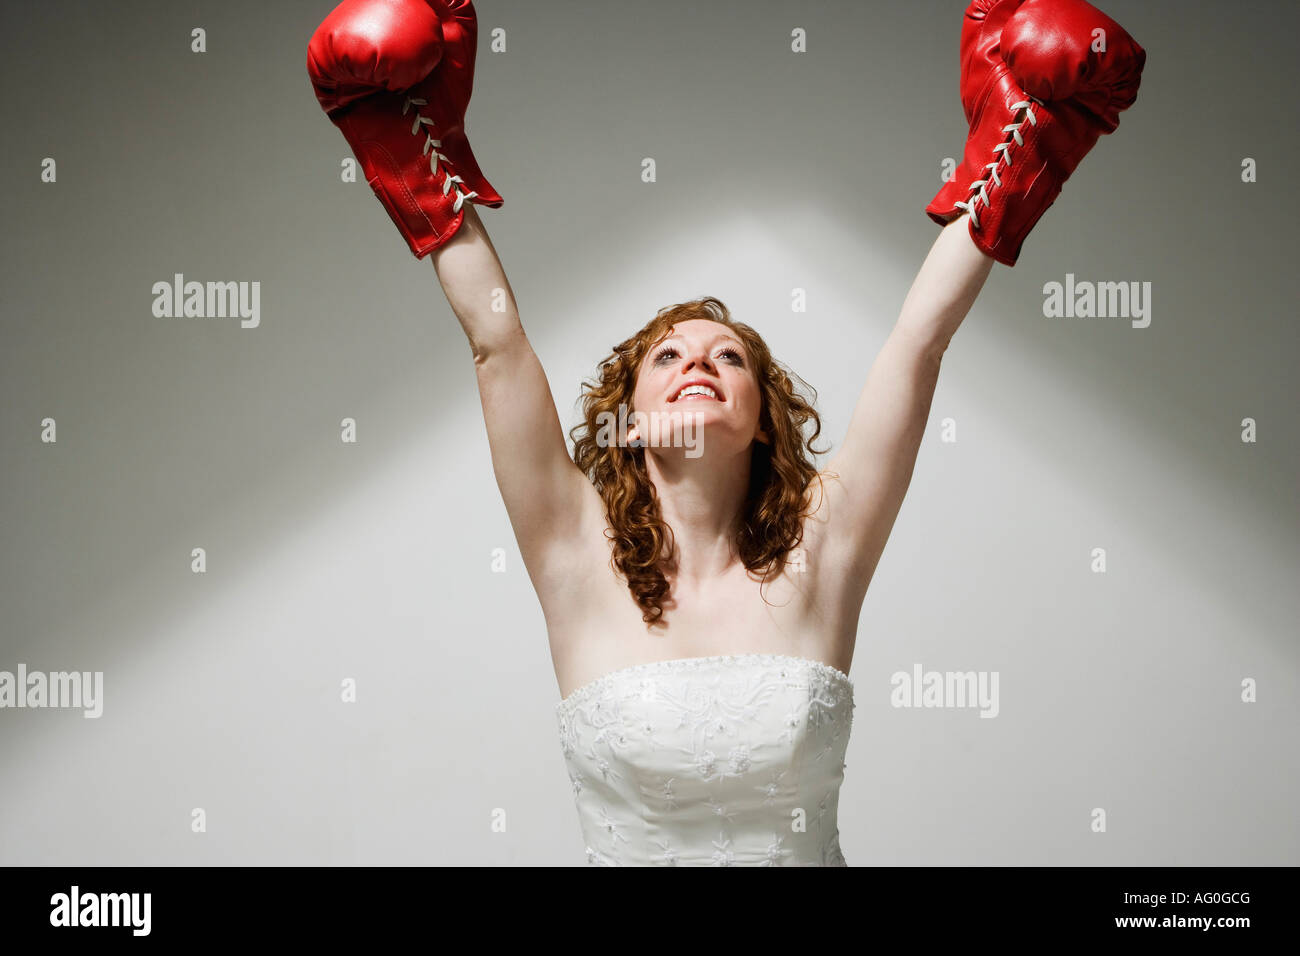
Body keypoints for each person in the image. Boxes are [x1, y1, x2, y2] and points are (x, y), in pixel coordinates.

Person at [307, 0, 1145, 865]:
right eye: (667, 356)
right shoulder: (572, 553)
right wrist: (404, 151)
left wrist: (1018, 152)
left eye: (730, 358)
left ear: (762, 422)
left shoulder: (827, 548)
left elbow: (917, 345)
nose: (699, 363)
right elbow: (495, 343)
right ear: (630, 422)